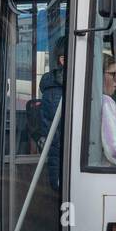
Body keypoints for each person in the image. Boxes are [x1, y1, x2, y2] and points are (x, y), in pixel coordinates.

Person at [38, 36, 68, 192]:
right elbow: (65, 129)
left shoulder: (60, 86)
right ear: (63, 60)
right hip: (61, 159)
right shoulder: (56, 92)